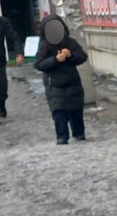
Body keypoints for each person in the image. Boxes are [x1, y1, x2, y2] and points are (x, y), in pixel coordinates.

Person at [34, 15, 88, 145]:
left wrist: (70, 55)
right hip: (54, 85)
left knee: (76, 109)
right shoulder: (44, 46)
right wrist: (55, 60)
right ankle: (62, 136)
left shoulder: (70, 42)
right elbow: (39, 64)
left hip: (72, 82)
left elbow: (82, 57)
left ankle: (79, 132)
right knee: (59, 111)